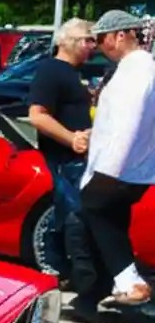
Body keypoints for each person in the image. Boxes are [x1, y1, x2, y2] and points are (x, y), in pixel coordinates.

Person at [74, 10, 155, 311]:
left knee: (94, 208)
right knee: (112, 220)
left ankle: (129, 282)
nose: (99, 46)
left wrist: (111, 168)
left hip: (123, 166)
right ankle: (110, 285)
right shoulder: (136, 68)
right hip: (131, 166)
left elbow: (131, 121)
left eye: (101, 39)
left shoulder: (137, 70)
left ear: (120, 35)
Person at [28, 18, 96, 280]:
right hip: (64, 160)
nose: (92, 46)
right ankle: (64, 270)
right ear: (66, 42)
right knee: (73, 216)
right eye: (86, 40)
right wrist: (71, 139)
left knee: (74, 216)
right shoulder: (51, 70)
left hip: (79, 158)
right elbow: (37, 115)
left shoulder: (74, 73)